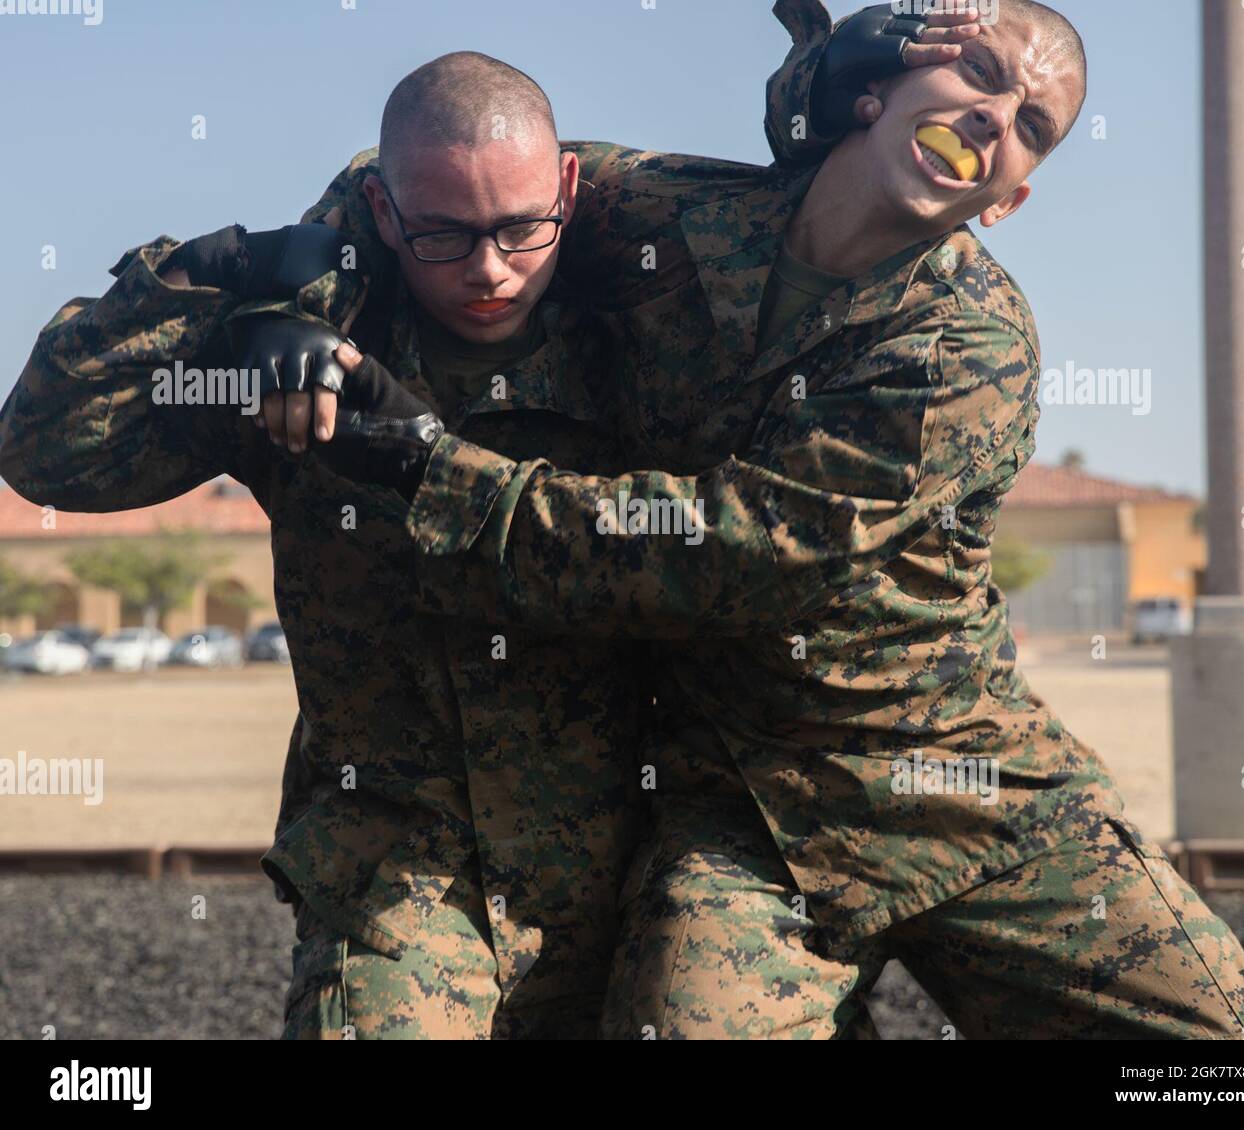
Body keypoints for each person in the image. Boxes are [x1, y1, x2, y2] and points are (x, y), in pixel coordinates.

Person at [258, 0, 1244, 1039]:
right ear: (874, 89)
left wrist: (433, 469)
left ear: (1007, 202)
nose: (996, 116)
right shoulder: (670, 214)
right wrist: (307, 298)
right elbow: (431, 168)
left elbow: (734, 553)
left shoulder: (968, 347)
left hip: (956, 780)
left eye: (1032, 125)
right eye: (979, 73)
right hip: (746, 797)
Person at [0, 5, 971, 1038]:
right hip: (407, 862)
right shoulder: (304, 356)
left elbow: (813, 244)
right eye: (443, 235)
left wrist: (835, 88)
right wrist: (213, 274)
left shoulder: (652, 337)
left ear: (564, 191)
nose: (490, 267)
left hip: (647, 847)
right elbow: (51, 452)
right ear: (380, 209)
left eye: (519, 227)